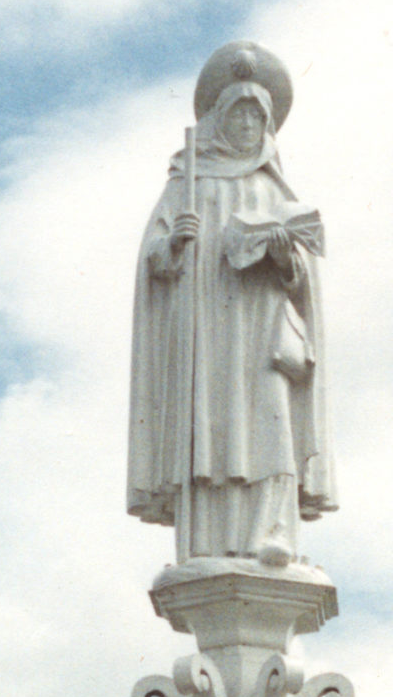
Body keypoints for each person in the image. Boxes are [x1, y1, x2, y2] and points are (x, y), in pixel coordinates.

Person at [128, 51, 336, 568]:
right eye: (238, 114)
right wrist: (173, 243)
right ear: (220, 118)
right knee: (212, 425)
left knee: (269, 420)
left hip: (262, 331)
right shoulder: (189, 182)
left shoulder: (272, 187)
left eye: (256, 117)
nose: (247, 124)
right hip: (208, 330)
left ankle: (273, 531)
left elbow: (302, 282)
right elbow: (153, 257)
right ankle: (206, 539)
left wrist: (288, 259)